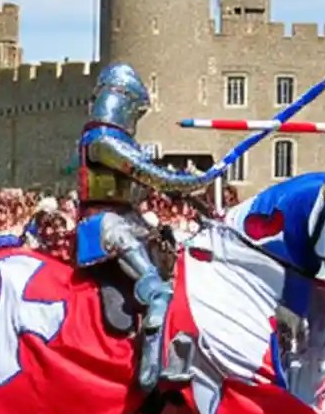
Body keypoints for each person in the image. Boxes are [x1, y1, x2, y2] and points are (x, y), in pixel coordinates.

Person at [76, 62, 221, 391]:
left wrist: (192, 188)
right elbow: (151, 176)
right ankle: (152, 372)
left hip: (131, 218)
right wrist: (196, 179)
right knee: (157, 290)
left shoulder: (120, 142)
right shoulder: (101, 140)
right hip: (105, 222)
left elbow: (154, 179)